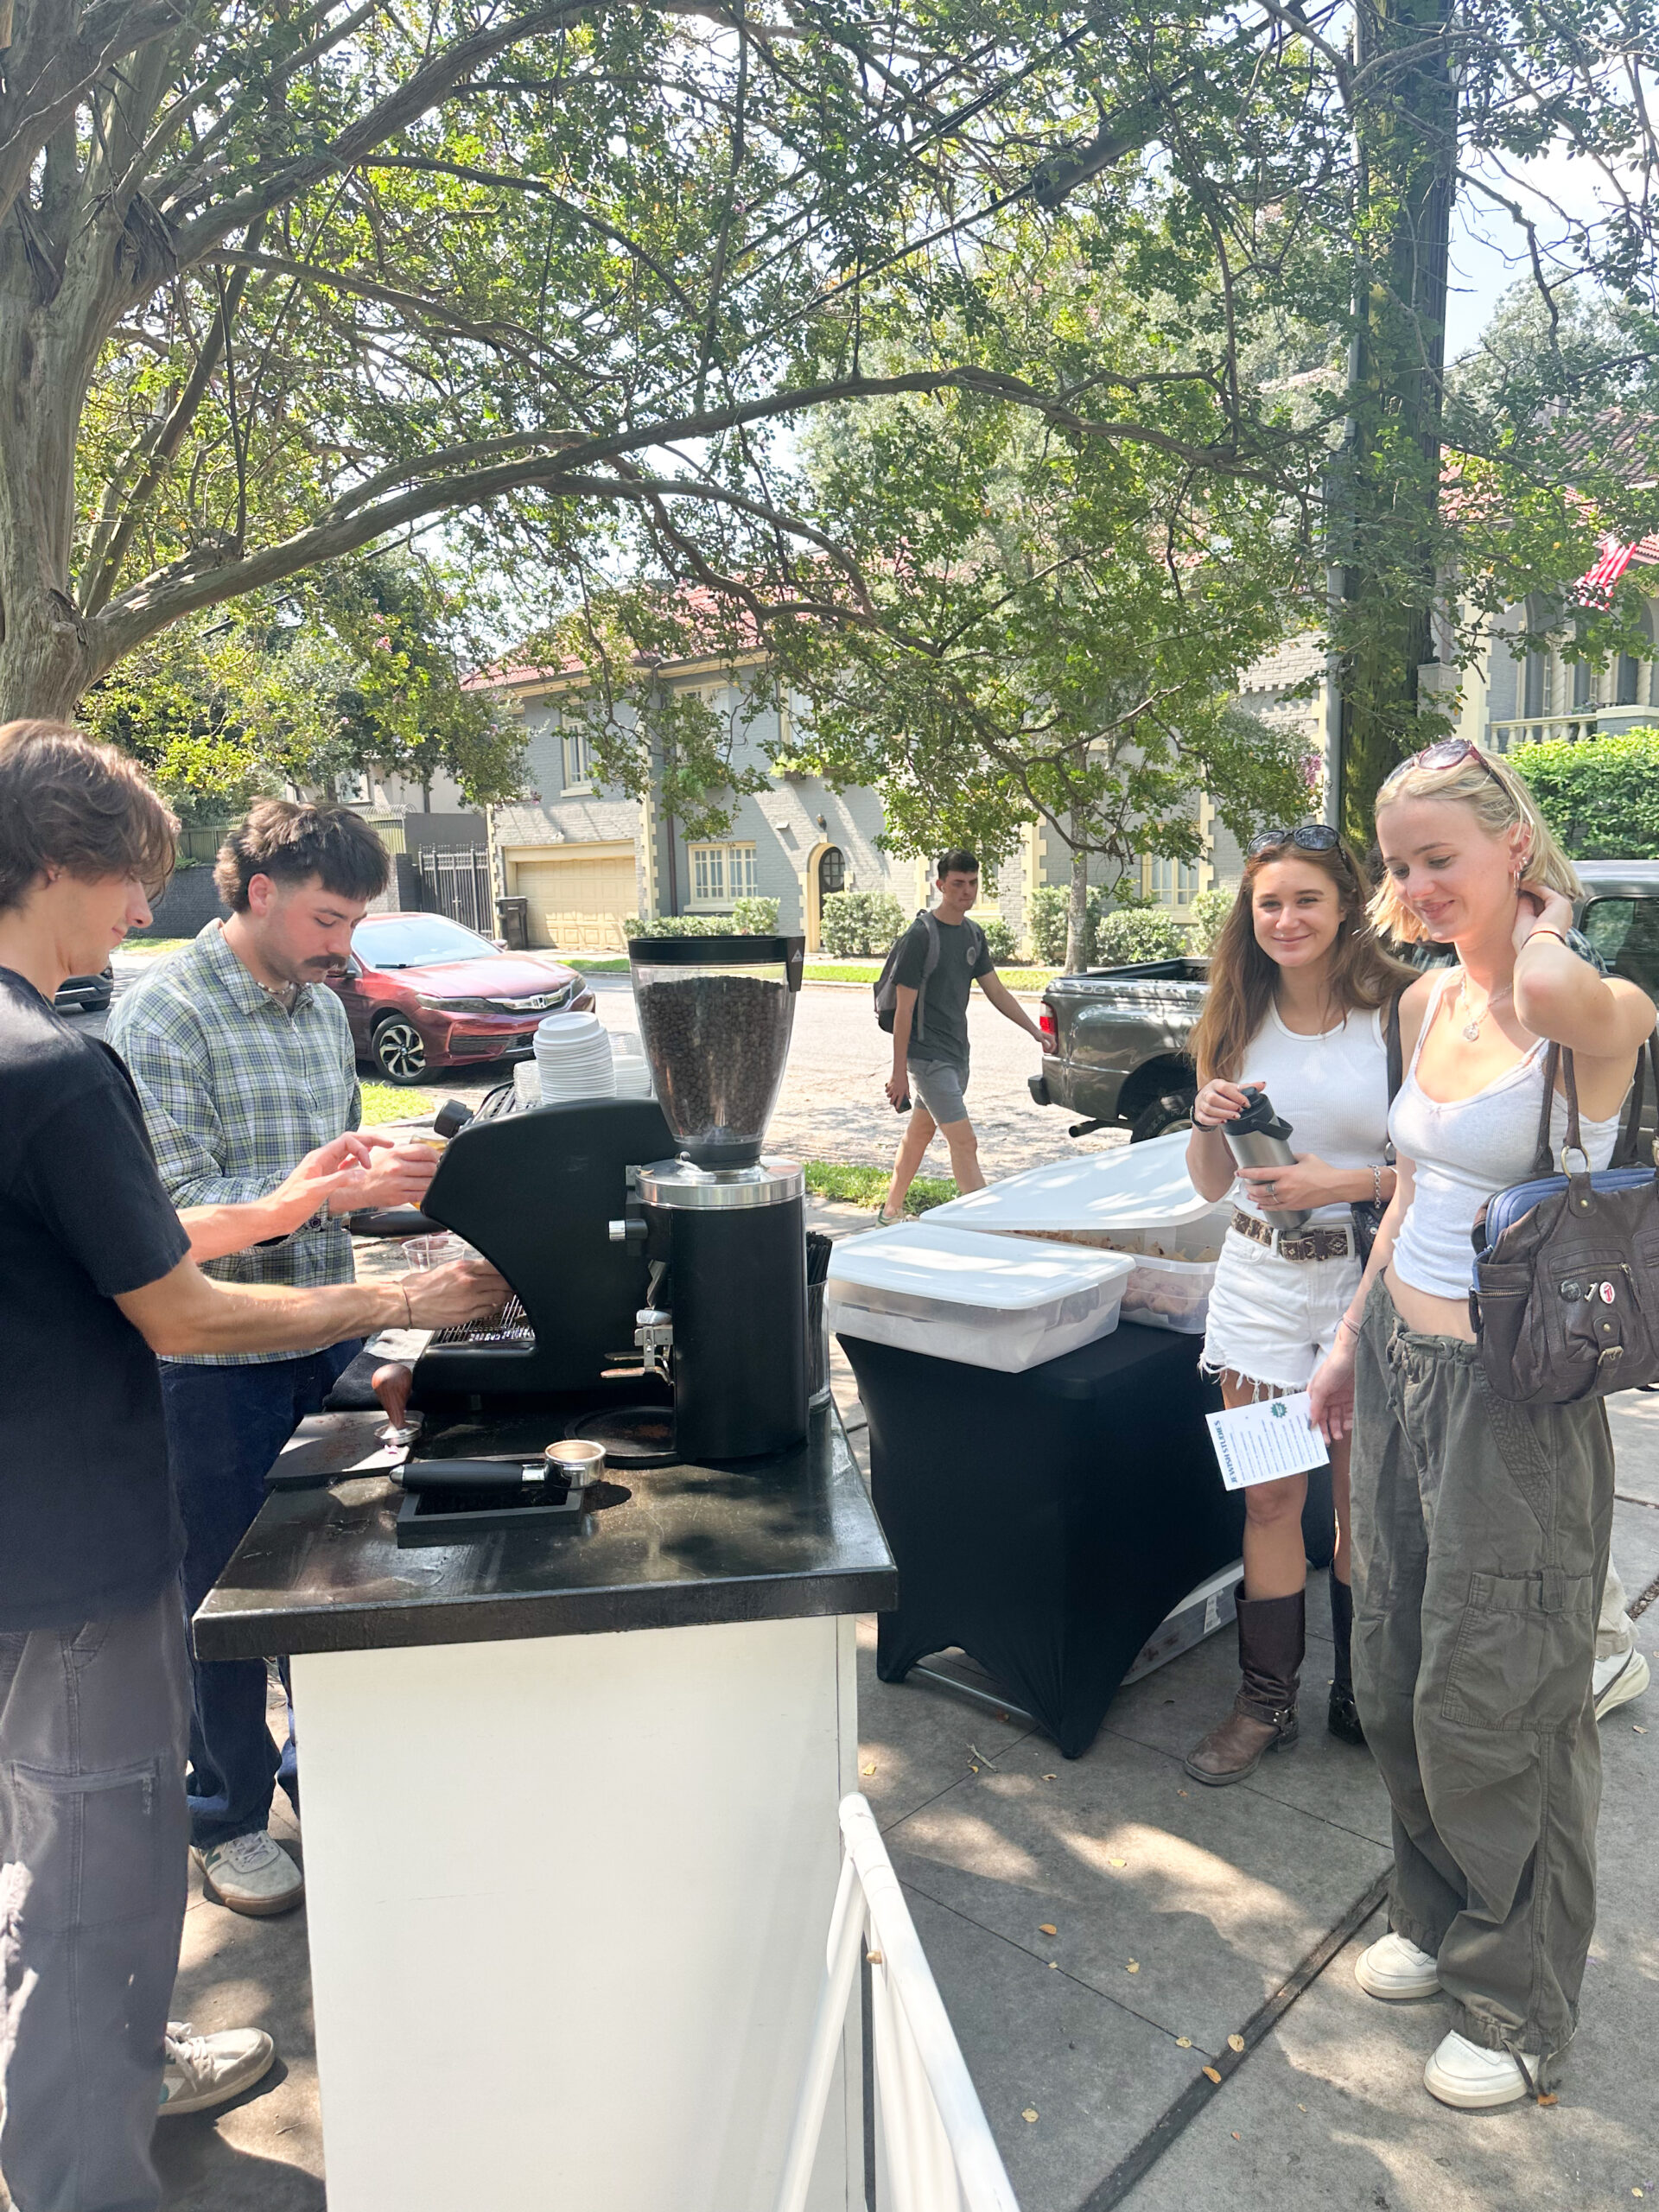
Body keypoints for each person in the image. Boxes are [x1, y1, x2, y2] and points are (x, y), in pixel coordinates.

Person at [0, 723, 501, 2210]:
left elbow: (131, 1244)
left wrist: (294, 1201)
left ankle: (109, 2067)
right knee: (103, 1871)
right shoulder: (61, 1063)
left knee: (56, 1843)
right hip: (74, 1537)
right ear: (59, 865)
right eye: (125, 882)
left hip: (27, 1525)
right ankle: (84, 2171)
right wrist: (396, 1300)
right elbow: (175, 1305)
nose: (133, 914)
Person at [1308, 738, 1652, 2112]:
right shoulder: (1423, 1007)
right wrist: (1346, 1344)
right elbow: (1405, 1193)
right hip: (1403, 1361)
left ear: (1515, 846)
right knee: (1393, 1662)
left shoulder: (1598, 1008)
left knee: (1499, 1694)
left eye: (1438, 858)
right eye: (1396, 865)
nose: (1412, 887)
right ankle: (1440, 1914)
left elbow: (1563, 988)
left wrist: (1548, 925)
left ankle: (1518, 2003)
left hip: (1517, 1402)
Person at [106, 799, 440, 1918]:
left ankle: (319, 1779)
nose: (347, 943)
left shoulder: (316, 1010)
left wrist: (388, 1182)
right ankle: (230, 1816)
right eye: (330, 916)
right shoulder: (163, 1015)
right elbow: (175, 1216)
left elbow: (328, 1180)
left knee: (335, 1578)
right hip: (211, 1359)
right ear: (258, 891)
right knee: (224, 1601)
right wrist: (318, 1193)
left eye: (353, 920)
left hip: (325, 1332)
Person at [1180, 826, 1411, 1784]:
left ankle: (1361, 1692)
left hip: (1367, 1283)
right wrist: (1203, 1121)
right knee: (1273, 1497)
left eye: (1306, 899)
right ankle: (1266, 1701)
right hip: (1264, 1291)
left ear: (1347, 903)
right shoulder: (1233, 1015)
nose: (1286, 919)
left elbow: (1440, 1173)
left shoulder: (1402, 1011)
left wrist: (1345, 1183)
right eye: (1269, 902)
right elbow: (1206, 1184)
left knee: (1361, 1503)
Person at [880, 850, 1049, 1219]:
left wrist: (1034, 1031)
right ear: (940, 885)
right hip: (928, 1059)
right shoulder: (920, 937)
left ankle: (889, 1212)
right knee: (964, 1142)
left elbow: (997, 991)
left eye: (972, 883)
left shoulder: (974, 933)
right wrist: (898, 1073)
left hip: (958, 1056)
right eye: (958, 884)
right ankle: (986, 1226)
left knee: (920, 1134)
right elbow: (904, 1011)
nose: (966, 891)